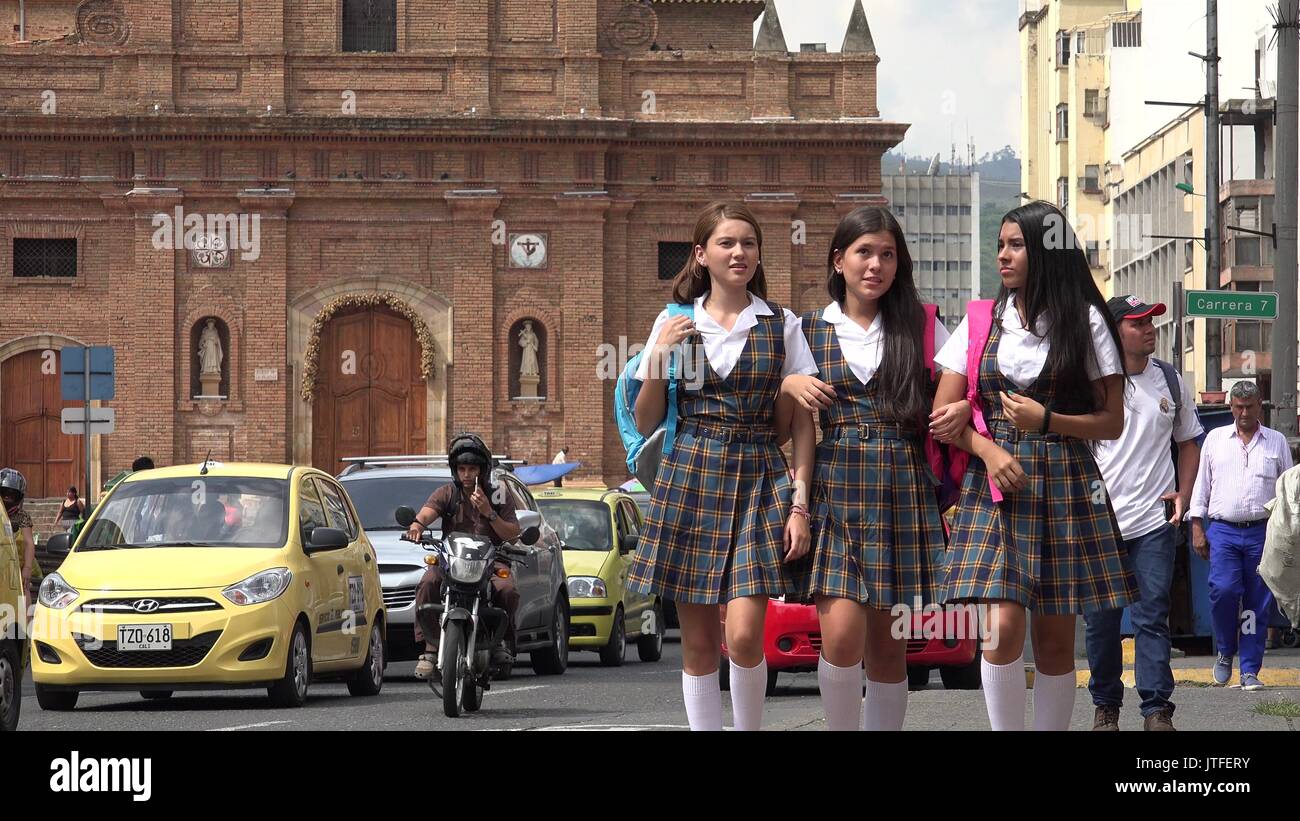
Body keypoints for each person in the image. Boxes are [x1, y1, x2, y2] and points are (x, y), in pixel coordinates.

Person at [933, 201, 1136, 731]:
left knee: (1053, 640)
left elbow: (1111, 422)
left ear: (1047, 251)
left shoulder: (1086, 321)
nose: (1003, 255)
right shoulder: (982, 320)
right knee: (1001, 627)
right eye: (1000, 244)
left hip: (1065, 479)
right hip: (993, 481)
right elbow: (941, 417)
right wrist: (987, 449)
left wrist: (1049, 420)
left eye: (1016, 245)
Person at [627, 201, 817, 731]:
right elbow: (646, 422)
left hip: (759, 473)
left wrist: (800, 504)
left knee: (744, 636)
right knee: (699, 644)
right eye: (727, 243)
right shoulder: (675, 324)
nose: (739, 253)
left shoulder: (782, 324)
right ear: (701, 254)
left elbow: (796, 427)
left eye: (749, 244)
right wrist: (657, 362)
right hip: (691, 474)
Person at [777, 206, 966, 730]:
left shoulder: (924, 325)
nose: (875, 265)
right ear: (838, 260)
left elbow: (965, 389)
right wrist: (799, 502)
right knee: (840, 639)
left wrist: (966, 411)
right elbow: (789, 429)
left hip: (902, 489)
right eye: (864, 252)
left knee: (889, 649)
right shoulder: (806, 328)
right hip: (833, 488)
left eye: (887, 254)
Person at [1085, 295, 1203, 731]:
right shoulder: (1092, 383)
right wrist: (1088, 504)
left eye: (1152, 321)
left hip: (1154, 522)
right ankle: (1106, 707)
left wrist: (1184, 494)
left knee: (1153, 614)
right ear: (1115, 332)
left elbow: (1189, 442)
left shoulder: (1170, 381)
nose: (1150, 328)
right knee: (1101, 622)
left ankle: (1156, 710)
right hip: (1100, 521)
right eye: (1138, 323)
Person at [1189, 380, 1292, 690]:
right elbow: (1201, 486)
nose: (1244, 412)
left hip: (1262, 531)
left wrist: (1286, 535)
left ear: (1259, 406)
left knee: (1256, 602)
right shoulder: (1215, 440)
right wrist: (1196, 525)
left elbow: (1288, 490)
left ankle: (1249, 669)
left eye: (1249, 406)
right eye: (1239, 407)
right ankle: (1224, 650)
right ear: (1231, 407)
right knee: (1223, 590)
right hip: (1223, 530)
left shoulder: (1275, 442)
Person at [407, 434, 521, 678]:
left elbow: (512, 534)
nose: (467, 474)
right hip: (452, 561)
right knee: (428, 582)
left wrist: (489, 512)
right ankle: (430, 648)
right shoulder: (447, 492)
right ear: (455, 470)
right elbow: (427, 513)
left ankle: (500, 642)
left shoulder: (499, 494)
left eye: (472, 469)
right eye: (462, 469)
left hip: (491, 560)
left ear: (483, 469)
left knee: (507, 588)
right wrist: (417, 526)